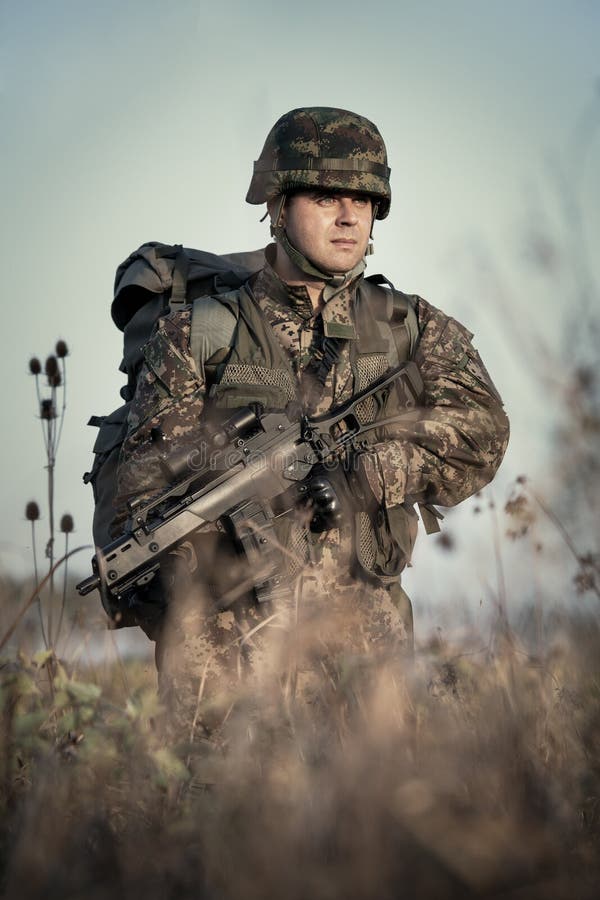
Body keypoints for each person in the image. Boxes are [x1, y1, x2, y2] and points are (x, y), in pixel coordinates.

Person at [113, 107, 509, 755]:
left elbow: (483, 432)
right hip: (225, 664)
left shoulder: (411, 328)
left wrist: (369, 472)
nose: (350, 216)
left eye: (363, 199)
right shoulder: (198, 332)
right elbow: (142, 483)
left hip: (365, 658)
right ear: (277, 203)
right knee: (213, 843)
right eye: (326, 197)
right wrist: (245, 499)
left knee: (369, 846)